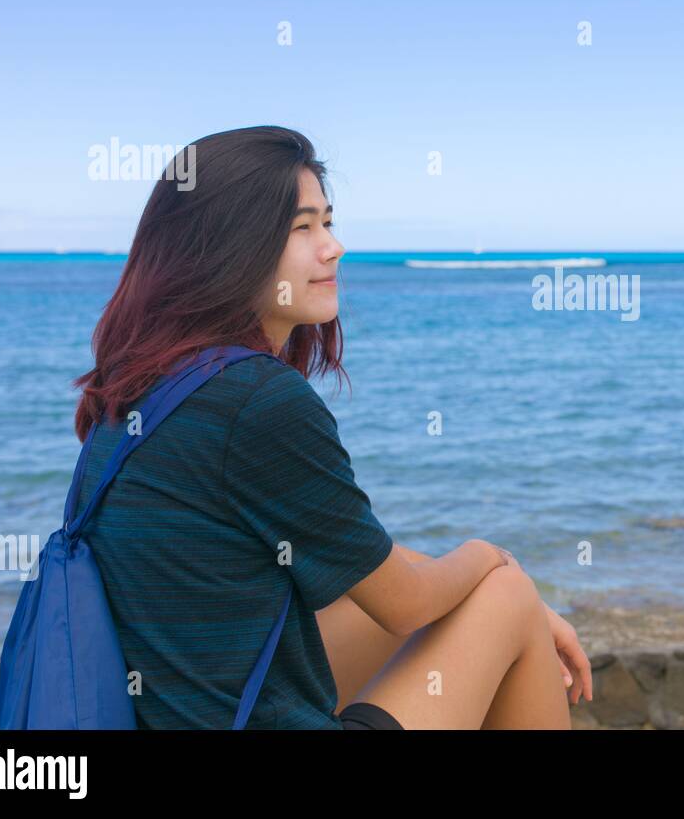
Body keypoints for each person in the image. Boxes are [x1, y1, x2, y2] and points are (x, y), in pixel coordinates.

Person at [71, 125, 592, 729]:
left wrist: (505, 591)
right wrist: (494, 560)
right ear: (227, 248)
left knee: (474, 598)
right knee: (502, 596)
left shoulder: (146, 384)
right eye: (303, 227)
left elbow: (355, 557)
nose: (334, 246)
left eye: (329, 221)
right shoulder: (256, 401)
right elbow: (406, 605)